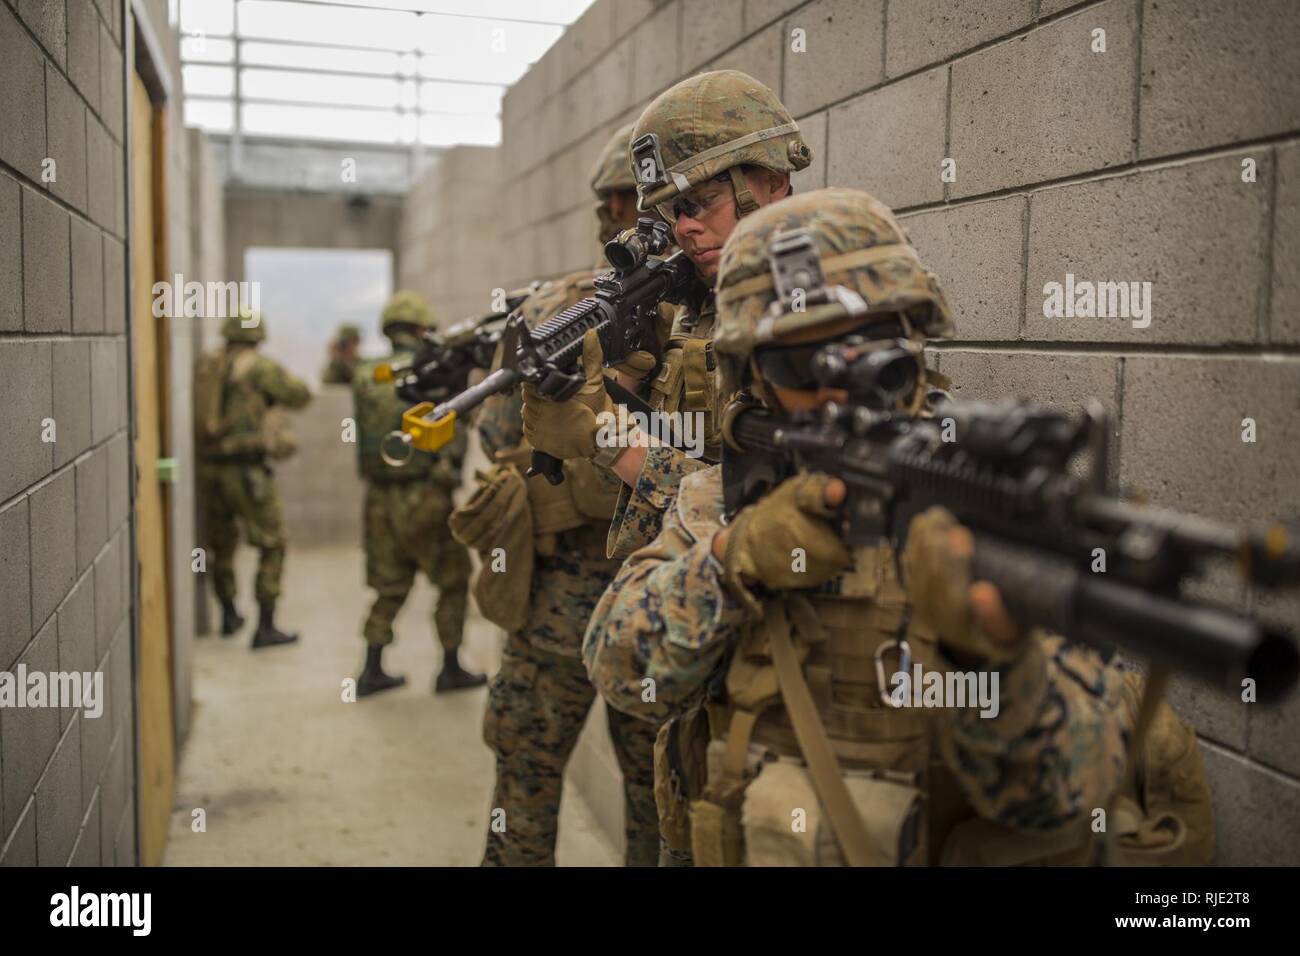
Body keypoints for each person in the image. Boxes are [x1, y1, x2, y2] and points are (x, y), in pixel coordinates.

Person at [583, 187, 1213, 867]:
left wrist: (995, 657)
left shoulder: (985, 509)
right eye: (801, 361)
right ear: (755, 375)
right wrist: (739, 558)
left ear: (909, 346)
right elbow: (622, 674)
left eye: (870, 350)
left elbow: (1066, 799)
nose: (838, 389)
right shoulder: (722, 502)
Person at [449, 124, 661, 866]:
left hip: (560, 590)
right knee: (656, 789)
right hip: (660, 586)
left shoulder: (555, 307)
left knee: (528, 776)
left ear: (605, 209)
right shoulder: (704, 310)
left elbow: (497, 431)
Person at [521, 70, 813, 561]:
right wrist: (622, 391)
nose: (685, 230)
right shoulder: (700, 300)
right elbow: (674, 466)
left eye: (700, 203)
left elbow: (770, 518)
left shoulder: (819, 307)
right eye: (673, 212)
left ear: (773, 181)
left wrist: (609, 437)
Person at [352, 291, 485, 696]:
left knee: (389, 584)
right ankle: (449, 668)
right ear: (421, 328)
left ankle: (371, 670)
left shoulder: (365, 374)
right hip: (426, 492)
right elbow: (456, 424)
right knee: (452, 580)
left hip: (378, 496)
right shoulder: (433, 367)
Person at [195, 310, 311, 648]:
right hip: (247, 472)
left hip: (209, 469)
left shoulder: (209, 365)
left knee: (222, 545)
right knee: (273, 542)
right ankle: (265, 626)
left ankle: (229, 614)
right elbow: (301, 395)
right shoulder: (258, 367)